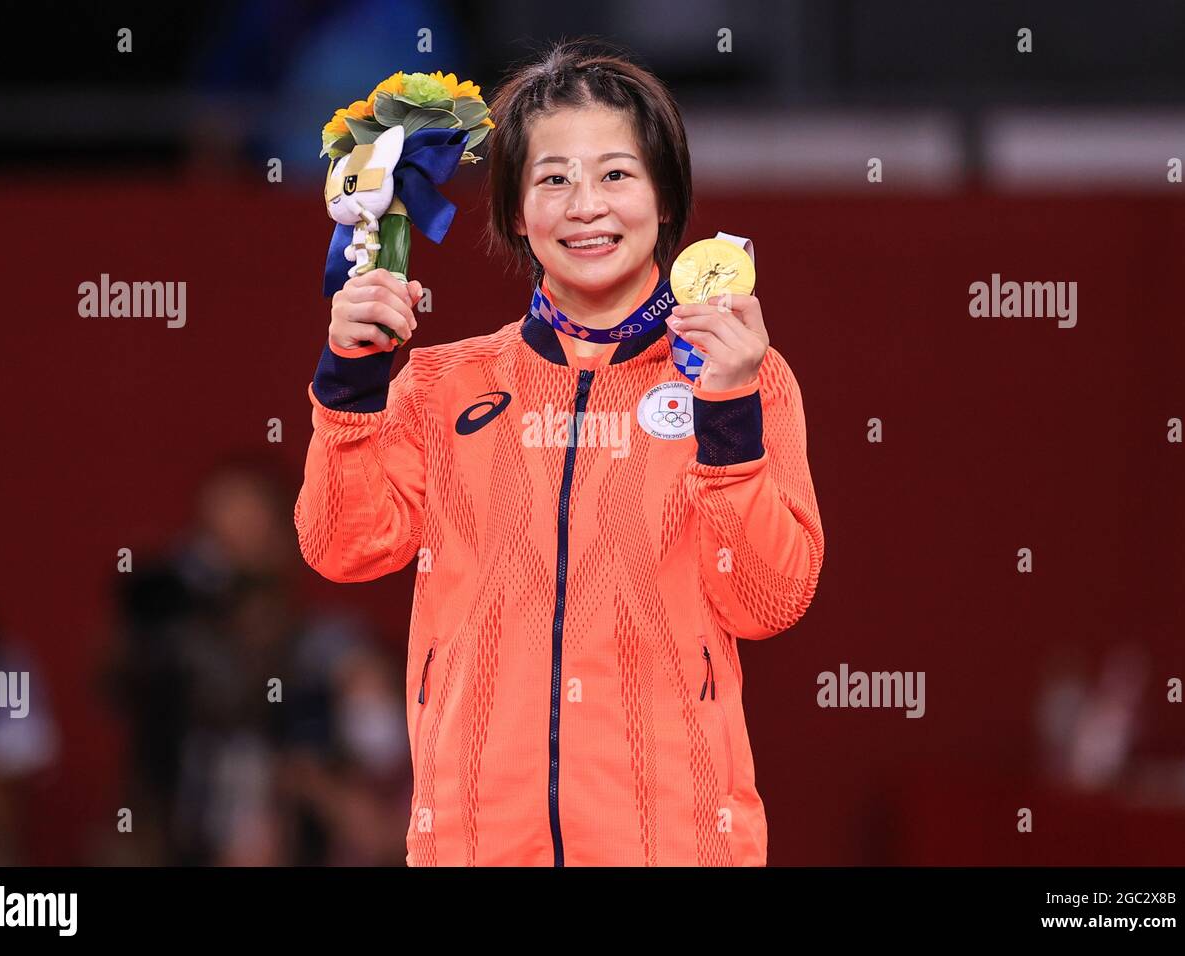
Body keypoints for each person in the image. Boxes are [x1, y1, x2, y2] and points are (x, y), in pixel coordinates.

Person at [294, 39, 826, 866]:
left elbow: (769, 599)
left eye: (616, 174)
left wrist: (727, 416)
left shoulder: (742, 373)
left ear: (665, 197)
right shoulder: (443, 384)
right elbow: (342, 548)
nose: (585, 206)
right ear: (514, 211)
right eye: (553, 179)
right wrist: (350, 387)